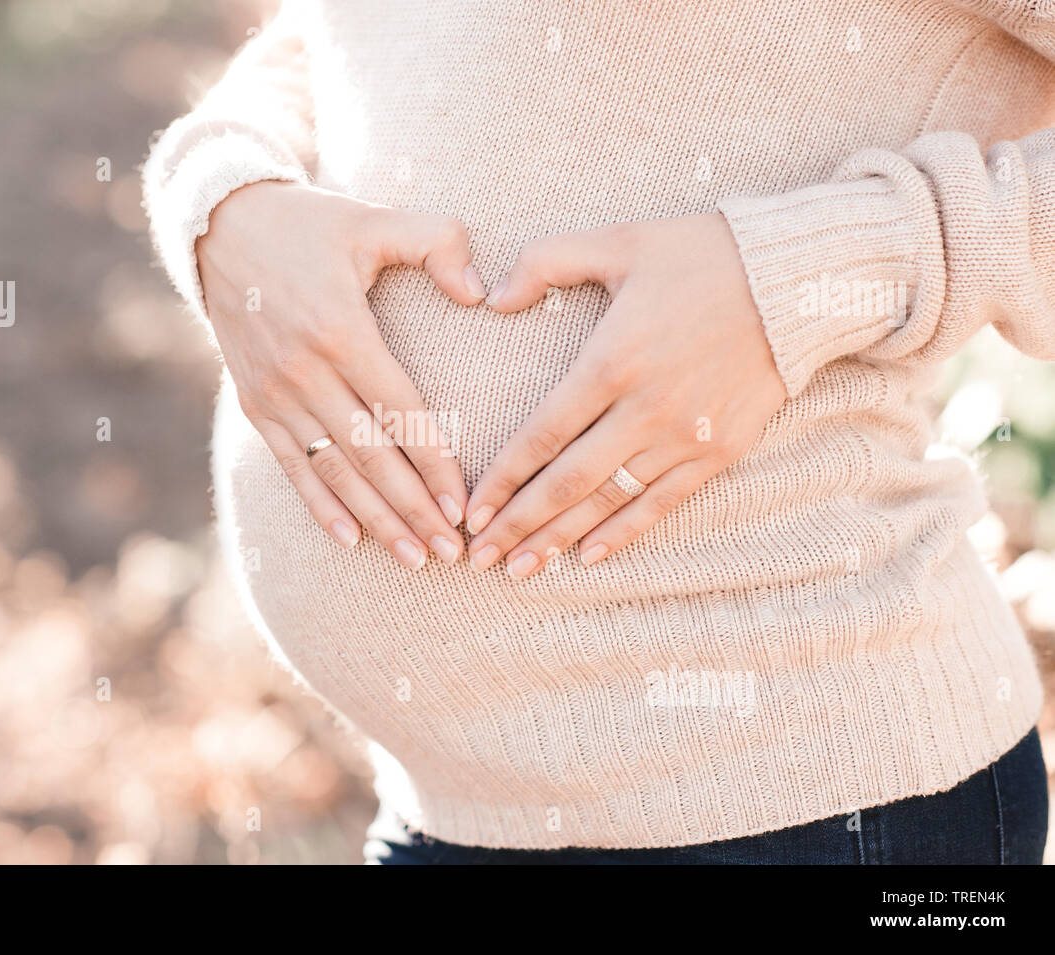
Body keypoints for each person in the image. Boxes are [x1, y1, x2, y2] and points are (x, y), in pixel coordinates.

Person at [143, 0, 1053, 864]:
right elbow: (338, 39)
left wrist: (810, 269)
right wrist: (225, 191)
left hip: (811, 810)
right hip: (449, 806)